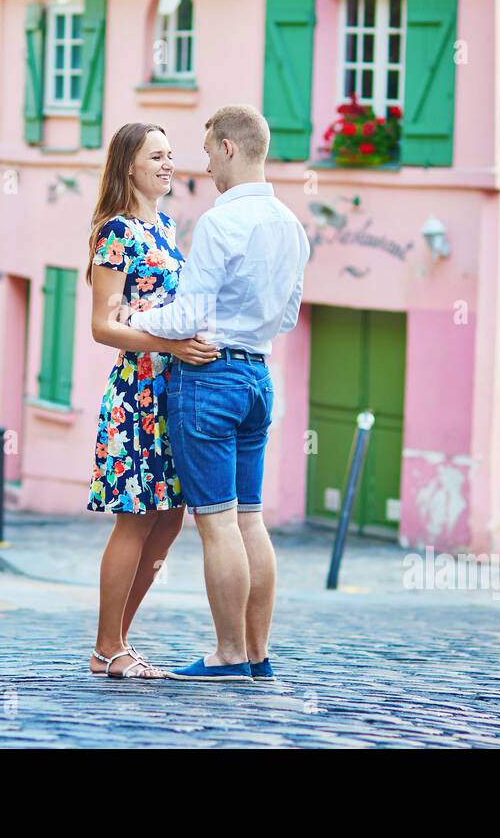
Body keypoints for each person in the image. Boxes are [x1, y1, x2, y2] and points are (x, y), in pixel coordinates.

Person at [125, 105, 310, 682]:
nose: (204, 165)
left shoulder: (219, 222)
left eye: (207, 152)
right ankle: (257, 654)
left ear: (230, 147)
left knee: (217, 522)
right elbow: (287, 317)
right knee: (251, 520)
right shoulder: (291, 225)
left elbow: (193, 314)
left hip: (209, 379)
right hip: (258, 376)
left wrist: (140, 313)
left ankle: (228, 653)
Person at [84, 121, 220, 679]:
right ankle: (106, 647)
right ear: (129, 166)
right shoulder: (116, 232)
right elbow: (102, 325)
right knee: (136, 519)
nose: (169, 164)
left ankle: (118, 640)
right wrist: (170, 344)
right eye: (156, 156)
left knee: (170, 517)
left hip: (173, 389)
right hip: (138, 392)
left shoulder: (163, 226)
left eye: (171, 155)